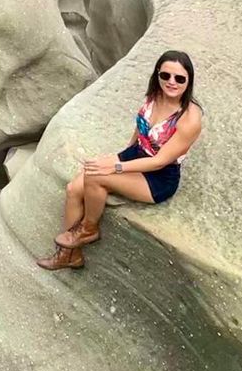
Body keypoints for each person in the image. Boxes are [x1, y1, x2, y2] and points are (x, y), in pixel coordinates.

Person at [38, 50, 203, 271]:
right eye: (165, 76)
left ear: (189, 80)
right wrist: (125, 152)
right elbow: (140, 127)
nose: (171, 82)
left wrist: (116, 167)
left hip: (158, 177)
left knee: (97, 177)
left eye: (179, 78)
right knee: (73, 188)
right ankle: (69, 255)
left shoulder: (189, 119)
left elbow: (159, 161)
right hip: (136, 154)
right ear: (158, 75)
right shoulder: (155, 96)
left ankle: (88, 229)